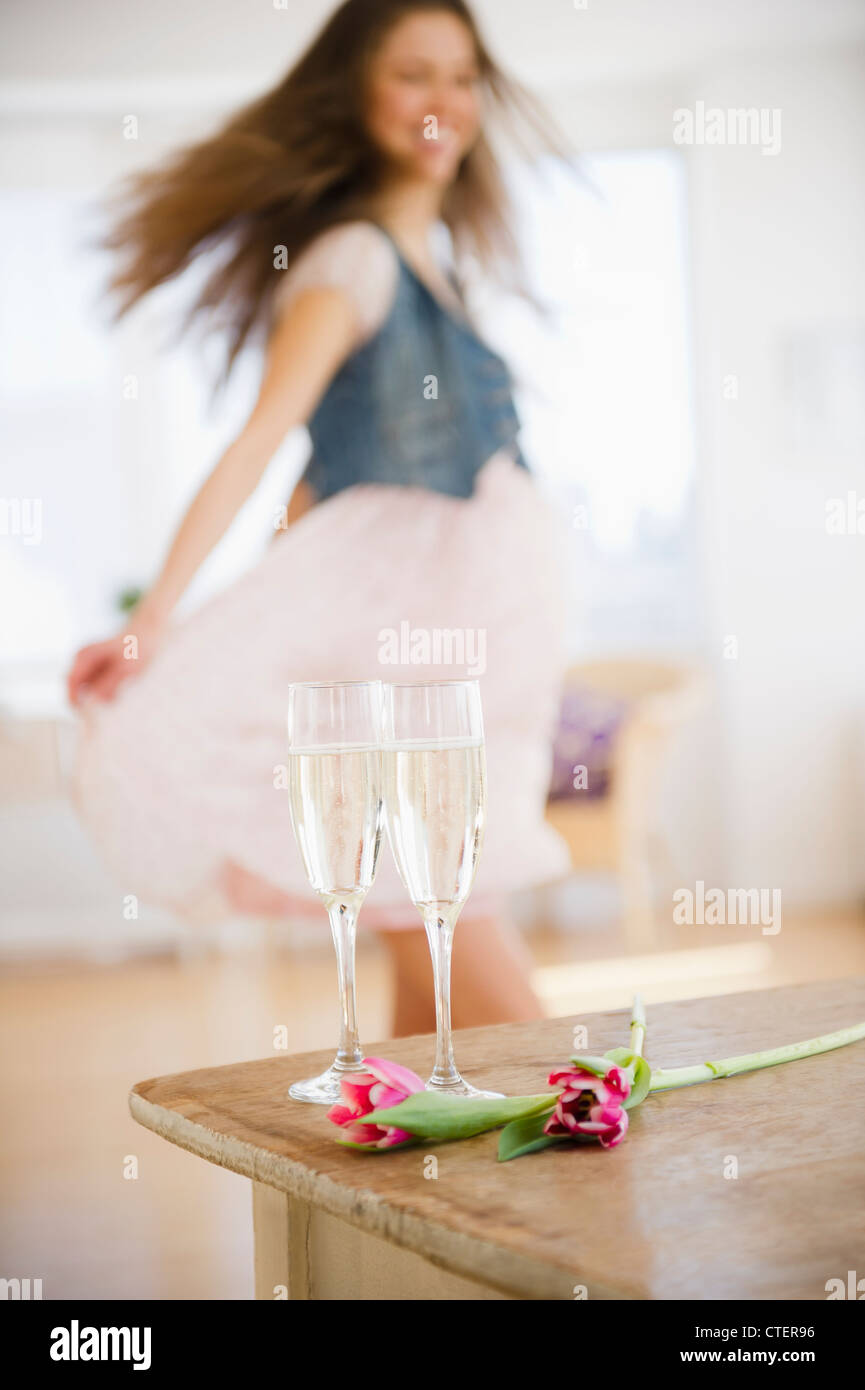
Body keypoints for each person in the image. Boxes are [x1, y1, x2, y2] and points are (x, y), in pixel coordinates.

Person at [68, 0, 570, 1035]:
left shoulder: (430, 262)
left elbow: (315, 481)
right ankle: (594, 1138)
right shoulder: (351, 260)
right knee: (485, 974)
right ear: (357, 94)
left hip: (450, 657)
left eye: (461, 76)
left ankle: (390, 1165)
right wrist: (158, 618)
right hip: (404, 661)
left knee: (425, 963)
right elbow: (263, 441)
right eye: (412, 74)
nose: (445, 102)